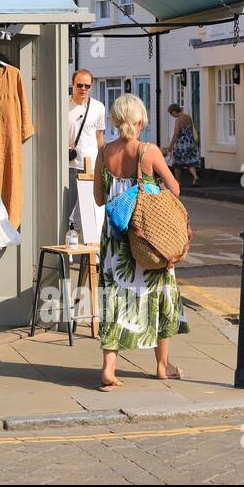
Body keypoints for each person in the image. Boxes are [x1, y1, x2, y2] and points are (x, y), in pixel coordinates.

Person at [92, 93, 190, 390]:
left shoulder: (104, 152)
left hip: (114, 244)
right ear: (139, 120)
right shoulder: (148, 151)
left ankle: (109, 366)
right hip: (148, 240)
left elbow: (98, 199)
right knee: (160, 296)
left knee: (116, 300)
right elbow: (175, 188)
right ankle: (162, 365)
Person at [66, 69, 106, 234]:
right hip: (67, 165)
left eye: (87, 86)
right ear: (72, 85)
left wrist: (103, 164)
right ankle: (64, 246)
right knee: (65, 211)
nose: (83, 89)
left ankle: (92, 253)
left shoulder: (98, 107)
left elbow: (99, 138)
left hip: (90, 165)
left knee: (91, 211)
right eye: (79, 85)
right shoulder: (63, 105)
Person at [164, 104, 201, 186]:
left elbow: (176, 134)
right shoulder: (188, 117)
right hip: (191, 143)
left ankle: (177, 182)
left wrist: (170, 146)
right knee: (190, 161)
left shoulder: (178, 120)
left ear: (174, 111)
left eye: (171, 112)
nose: (171, 115)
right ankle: (195, 176)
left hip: (181, 144)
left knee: (177, 163)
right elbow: (192, 130)